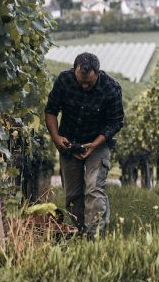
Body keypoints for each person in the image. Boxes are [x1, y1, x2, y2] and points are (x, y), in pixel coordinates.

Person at [44, 52, 124, 238]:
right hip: (68, 143)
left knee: (94, 189)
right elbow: (50, 111)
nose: (85, 86)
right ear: (75, 71)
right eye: (81, 82)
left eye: (89, 82)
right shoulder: (64, 80)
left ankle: (94, 236)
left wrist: (95, 144)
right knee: (73, 195)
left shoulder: (111, 88)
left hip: (97, 143)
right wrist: (56, 138)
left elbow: (116, 121)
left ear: (98, 72)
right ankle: (80, 232)